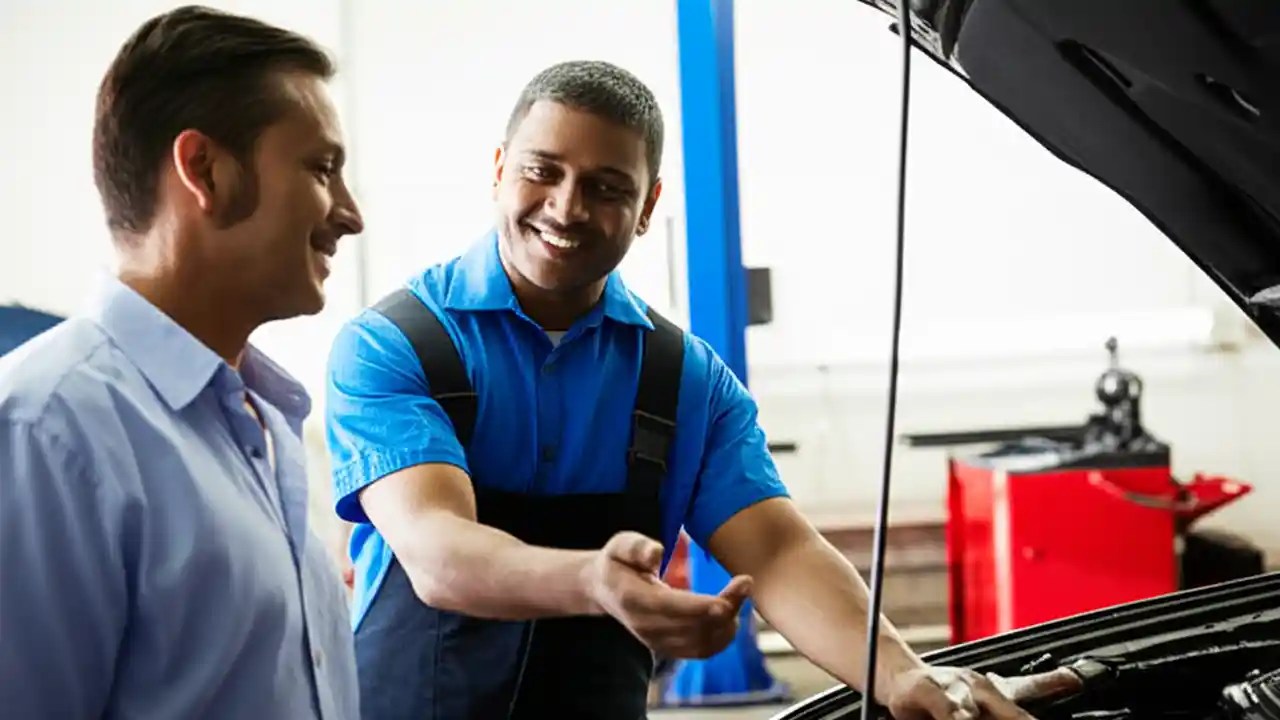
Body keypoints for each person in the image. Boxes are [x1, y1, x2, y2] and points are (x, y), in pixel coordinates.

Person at [324, 60, 1078, 719]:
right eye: (541, 170)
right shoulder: (396, 345)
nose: (566, 206)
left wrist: (902, 673)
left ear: (649, 207)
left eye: (606, 186)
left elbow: (778, 551)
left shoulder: (683, 380)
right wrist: (594, 580)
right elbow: (438, 551)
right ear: (497, 168)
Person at [0, 6, 364, 718]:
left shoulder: (263, 423)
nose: (350, 213)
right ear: (204, 170)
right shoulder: (47, 429)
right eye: (322, 169)